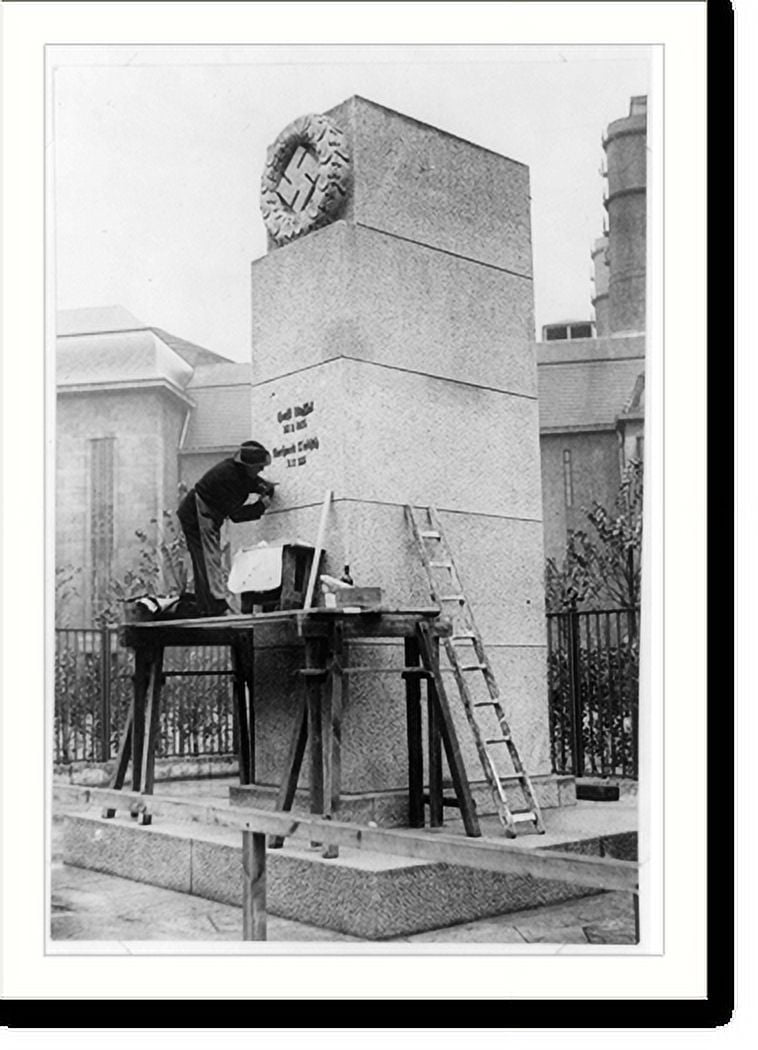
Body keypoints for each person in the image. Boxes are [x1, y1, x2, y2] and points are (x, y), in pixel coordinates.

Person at [177, 440, 276, 616]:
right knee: (208, 559)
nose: (262, 470)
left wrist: (266, 488)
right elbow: (236, 515)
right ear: (248, 465)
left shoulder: (241, 472)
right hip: (197, 513)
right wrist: (261, 506)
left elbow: (255, 483)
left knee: (207, 559)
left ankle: (207, 607)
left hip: (206, 515)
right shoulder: (229, 477)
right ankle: (216, 607)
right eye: (259, 467)